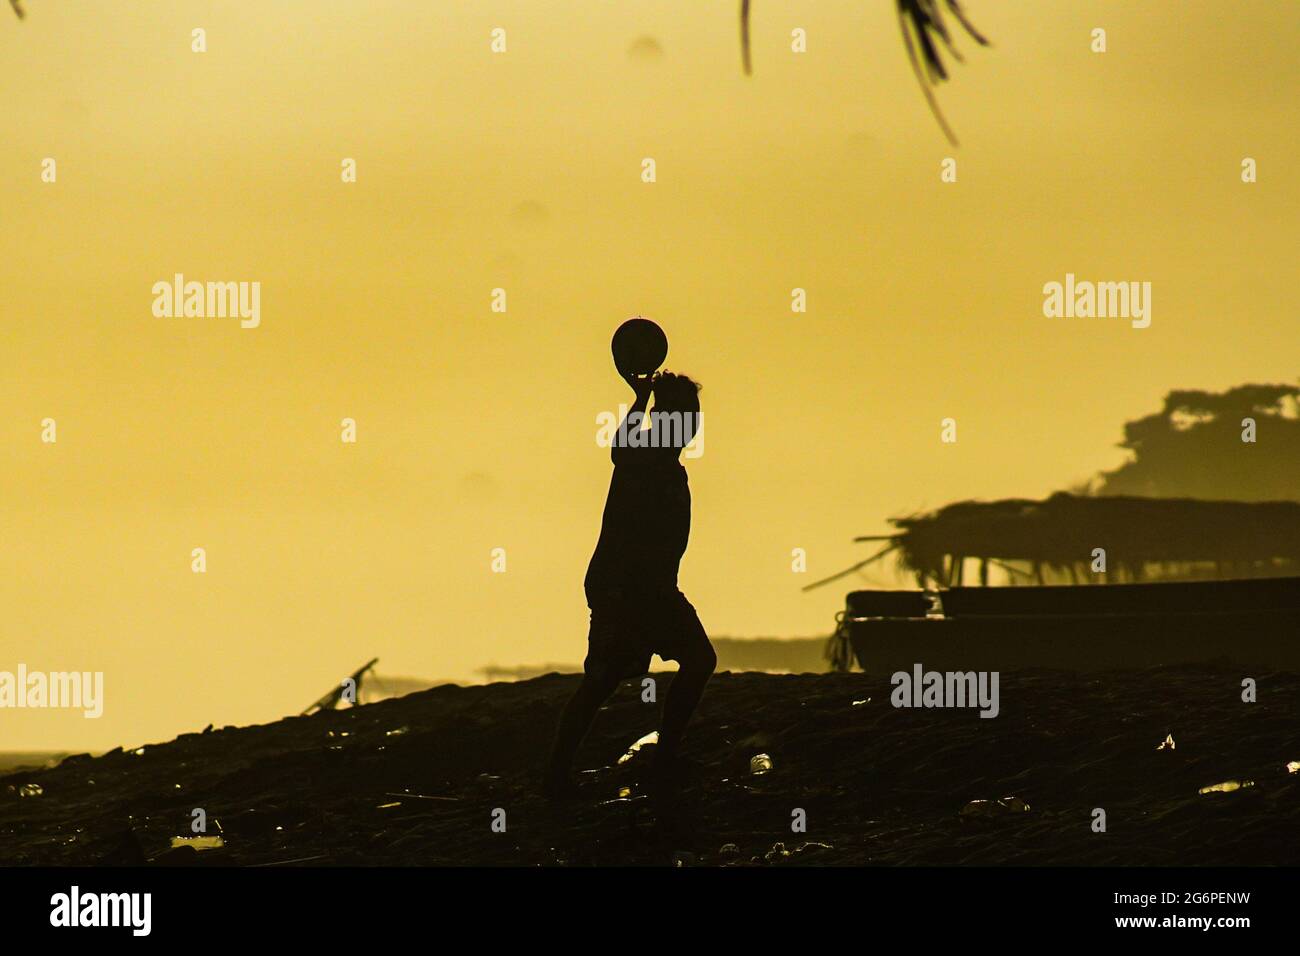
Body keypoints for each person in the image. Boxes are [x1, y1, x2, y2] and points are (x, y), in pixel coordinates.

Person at [545, 367, 715, 804]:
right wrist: (639, 400)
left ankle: (663, 759)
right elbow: (620, 448)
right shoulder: (645, 456)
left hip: (655, 591)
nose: (693, 421)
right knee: (603, 678)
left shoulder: (670, 464)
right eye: (685, 412)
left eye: (694, 413)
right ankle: (557, 773)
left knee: (696, 661)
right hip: (623, 590)